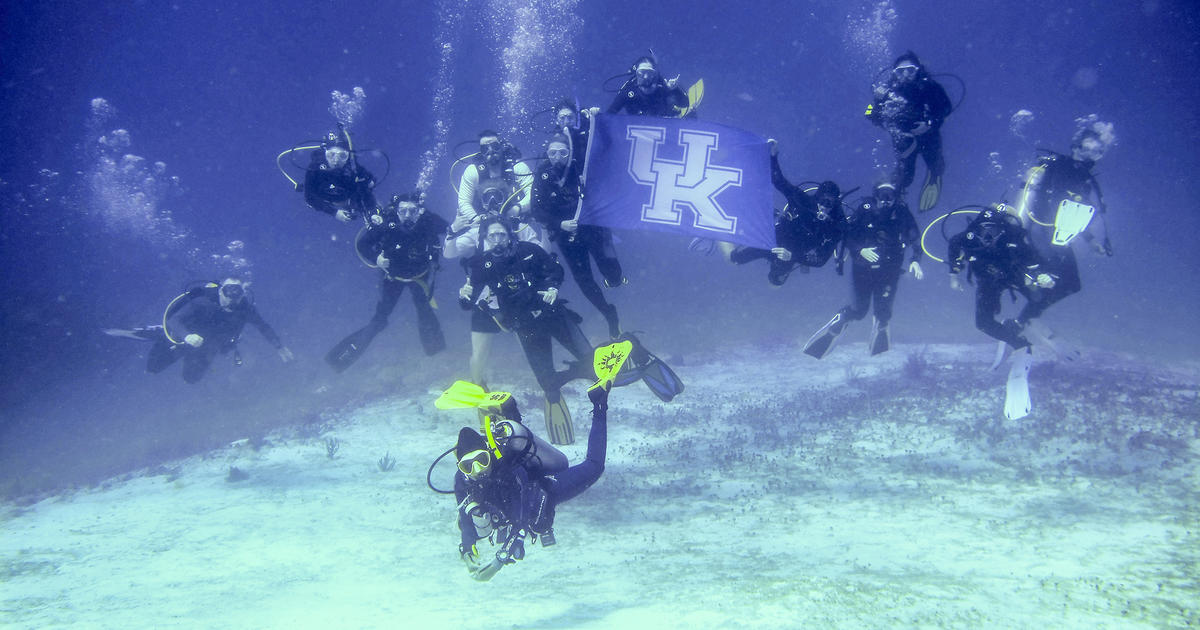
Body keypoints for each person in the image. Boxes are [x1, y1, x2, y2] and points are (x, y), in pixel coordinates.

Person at [454, 382, 612, 581]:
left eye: (482, 460)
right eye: (468, 466)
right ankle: (510, 409)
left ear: (488, 454)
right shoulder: (462, 480)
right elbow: (466, 521)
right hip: (517, 494)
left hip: (545, 488)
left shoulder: (509, 471)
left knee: (594, 466)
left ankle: (599, 403)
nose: (478, 470)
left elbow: (520, 522)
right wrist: (467, 551)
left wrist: (498, 562)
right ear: (460, 467)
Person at [459, 217, 594, 444]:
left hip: (555, 315)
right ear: (485, 238)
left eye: (502, 234)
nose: (498, 239)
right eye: (492, 235)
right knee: (547, 384)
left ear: (510, 235)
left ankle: (609, 365)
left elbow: (556, 271)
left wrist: (552, 287)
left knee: (593, 361)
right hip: (526, 326)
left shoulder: (529, 250)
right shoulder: (480, 264)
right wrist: (463, 295)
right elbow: (468, 301)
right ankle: (576, 373)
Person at [445, 130, 546, 387]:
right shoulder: (472, 174)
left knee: (531, 342)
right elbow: (462, 208)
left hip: (516, 291)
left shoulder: (518, 169)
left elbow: (532, 195)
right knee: (480, 351)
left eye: (494, 146)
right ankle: (479, 386)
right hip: (487, 297)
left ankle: (547, 381)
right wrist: (475, 222)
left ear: (502, 147)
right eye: (484, 147)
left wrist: (516, 210)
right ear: (479, 150)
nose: (490, 151)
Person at [325, 193, 450, 372]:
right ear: (396, 211)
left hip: (419, 276)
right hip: (392, 277)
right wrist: (377, 259)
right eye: (403, 211)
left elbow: (451, 229)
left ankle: (436, 354)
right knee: (380, 319)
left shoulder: (428, 221)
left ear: (420, 211)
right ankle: (340, 358)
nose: (407, 216)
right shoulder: (385, 223)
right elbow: (362, 245)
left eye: (412, 211)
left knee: (424, 310)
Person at [804, 181, 923, 358]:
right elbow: (848, 234)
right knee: (859, 311)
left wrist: (915, 260)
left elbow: (914, 237)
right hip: (863, 269)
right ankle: (841, 320)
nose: (886, 200)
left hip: (890, 270)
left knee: (883, 311)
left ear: (895, 197)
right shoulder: (865, 209)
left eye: (890, 196)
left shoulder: (902, 212)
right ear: (875, 195)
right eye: (882, 195)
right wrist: (860, 249)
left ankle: (880, 324)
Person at [1014, 117, 1115, 315]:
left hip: (1055, 235)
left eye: (1098, 151)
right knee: (1065, 282)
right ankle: (1024, 314)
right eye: (1089, 148)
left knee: (1065, 283)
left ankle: (1025, 310)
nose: (1092, 155)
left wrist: (1091, 240)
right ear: (1076, 147)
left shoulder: (1082, 177)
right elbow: (1058, 206)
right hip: (1043, 233)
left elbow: (1073, 213)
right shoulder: (1063, 168)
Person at [104, 278, 293, 383]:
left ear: (243, 294)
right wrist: (187, 336)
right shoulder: (204, 303)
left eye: (237, 293)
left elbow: (263, 326)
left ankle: (173, 345)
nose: (231, 299)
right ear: (220, 291)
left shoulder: (245, 309)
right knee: (153, 368)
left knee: (191, 379)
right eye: (228, 292)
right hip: (182, 335)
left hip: (208, 345)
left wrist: (279, 347)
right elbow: (174, 320)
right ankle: (148, 332)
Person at [532, 133, 625, 338]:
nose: (557, 157)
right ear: (547, 154)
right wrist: (559, 224)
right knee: (584, 280)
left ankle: (615, 276)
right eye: (552, 153)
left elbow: (604, 189)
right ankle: (609, 313)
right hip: (567, 237)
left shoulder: (580, 169)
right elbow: (536, 209)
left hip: (592, 230)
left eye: (563, 152)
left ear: (570, 153)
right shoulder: (542, 174)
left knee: (613, 274)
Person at [729, 139, 845, 286]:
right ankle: (728, 240)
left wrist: (793, 256)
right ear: (816, 198)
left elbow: (821, 260)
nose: (824, 206)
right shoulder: (802, 200)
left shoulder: (836, 224)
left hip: (792, 254)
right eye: (822, 201)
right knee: (736, 259)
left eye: (830, 203)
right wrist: (773, 156)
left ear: (835, 204)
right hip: (772, 240)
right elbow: (778, 180)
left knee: (776, 280)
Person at [946, 205, 1056, 352]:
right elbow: (953, 243)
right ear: (977, 228)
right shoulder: (969, 237)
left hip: (1012, 275)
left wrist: (1043, 275)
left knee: (1041, 297)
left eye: (993, 231)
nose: (987, 236)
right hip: (988, 280)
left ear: (1002, 229)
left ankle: (1022, 322)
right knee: (983, 323)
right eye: (983, 230)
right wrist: (953, 275)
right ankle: (1020, 344)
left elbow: (1033, 257)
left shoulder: (1011, 237)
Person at [865, 51, 952, 211]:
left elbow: (946, 108)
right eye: (900, 71)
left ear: (918, 70)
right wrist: (876, 100)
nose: (905, 75)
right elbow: (869, 114)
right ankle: (893, 202)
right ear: (894, 73)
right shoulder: (888, 91)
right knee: (905, 178)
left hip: (929, 137)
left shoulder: (930, 87)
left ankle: (933, 177)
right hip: (904, 141)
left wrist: (929, 124)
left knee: (936, 166)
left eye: (910, 70)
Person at [303, 130, 378, 222]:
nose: (336, 161)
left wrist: (369, 183)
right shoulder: (315, 168)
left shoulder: (351, 165)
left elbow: (369, 179)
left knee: (364, 190)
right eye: (331, 155)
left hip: (347, 197)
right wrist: (334, 212)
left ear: (348, 156)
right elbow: (309, 197)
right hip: (326, 199)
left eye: (342, 156)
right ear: (325, 153)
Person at [607, 55, 688, 117]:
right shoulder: (629, 90)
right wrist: (595, 114)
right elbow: (610, 113)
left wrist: (674, 89)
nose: (645, 77)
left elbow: (685, 104)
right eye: (641, 72)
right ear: (636, 73)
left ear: (654, 74)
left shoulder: (663, 86)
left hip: (663, 122)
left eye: (649, 73)